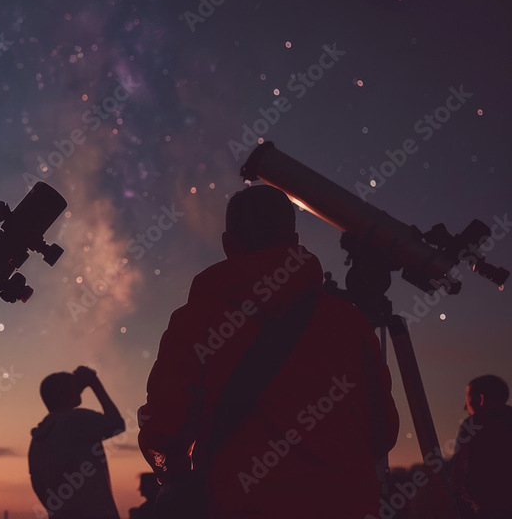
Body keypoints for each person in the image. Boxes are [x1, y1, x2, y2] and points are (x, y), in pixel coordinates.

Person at [138, 185, 399, 518]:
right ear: (293, 238)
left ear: (228, 244)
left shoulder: (194, 323)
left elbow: (165, 430)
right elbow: (383, 432)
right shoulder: (348, 321)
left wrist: (177, 481)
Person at [28, 366, 125, 519]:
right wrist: (95, 384)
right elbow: (116, 424)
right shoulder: (77, 419)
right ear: (64, 394)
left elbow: (37, 483)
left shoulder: (38, 437)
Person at [451, 374, 512, 518]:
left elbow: (458, 467)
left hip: (485, 504)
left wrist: (455, 490)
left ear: (482, 399)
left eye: (468, 396)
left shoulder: (472, 425)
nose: (466, 406)